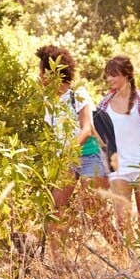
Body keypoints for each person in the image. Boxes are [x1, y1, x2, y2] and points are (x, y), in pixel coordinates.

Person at [36, 45, 108, 212]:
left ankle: (113, 239)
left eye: (41, 71)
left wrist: (67, 153)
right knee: (54, 210)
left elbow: (87, 129)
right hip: (67, 162)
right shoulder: (49, 102)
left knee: (95, 214)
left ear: (52, 72)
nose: (39, 76)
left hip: (91, 157)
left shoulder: (78, 93)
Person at [97, 54, 140, 228]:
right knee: (123, 223)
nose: (109, 79)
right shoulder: (104, 104)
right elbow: (101, 140)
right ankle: (125, 257)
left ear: (127, 75)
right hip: (119, 170)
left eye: (114, 74)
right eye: (107, 75)